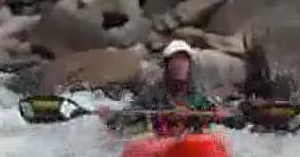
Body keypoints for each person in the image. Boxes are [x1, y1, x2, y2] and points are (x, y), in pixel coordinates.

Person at [99, 40, 230, 136]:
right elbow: (131, 112)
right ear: (167, 65)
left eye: (184, 61)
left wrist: (221, 114)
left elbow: (215, 112)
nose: (181, 65)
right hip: (162, 136)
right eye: (176, 60)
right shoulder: (153, 91)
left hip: (190, 137)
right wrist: (110, 117)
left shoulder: (197, 91)